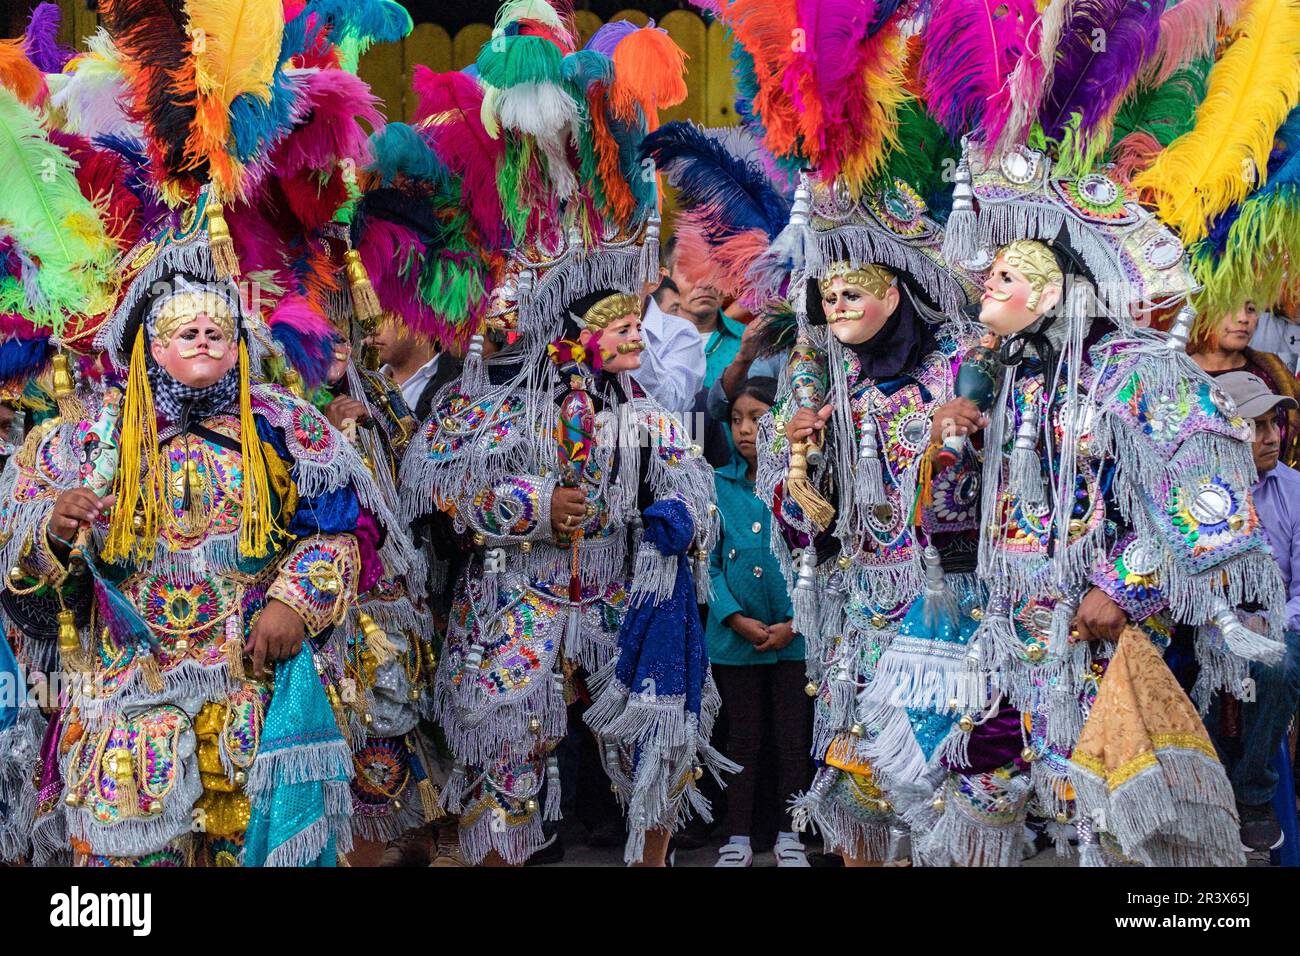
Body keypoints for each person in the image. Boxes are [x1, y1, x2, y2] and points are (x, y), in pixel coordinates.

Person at [707, 377, 810, 867]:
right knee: (741, 739)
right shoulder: (716, 484)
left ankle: (792, 834)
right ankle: (738, 837)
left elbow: (817, 557)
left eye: (758, 418)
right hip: (736, 639)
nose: (745, 429)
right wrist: (733, 616)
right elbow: (705, 564)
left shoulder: (803, 481)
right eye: (736, 420)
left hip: (795, 638)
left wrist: (796, 621)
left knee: (792, 739)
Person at [1208, 371, 1300, 853]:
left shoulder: (1295, 489)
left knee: (1278, 665)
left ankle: (1252, 792)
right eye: (1255, 426)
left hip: (1279, 620)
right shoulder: (1197, 491)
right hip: (1208, 623)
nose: (1271, 437)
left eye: (1274, 423)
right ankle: (1214, 790)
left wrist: (1270, 622)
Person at [1192, 303, 1300, 468]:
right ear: (1202, 310)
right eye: (1228, 307)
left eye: (1251, 309)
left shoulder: (1275, 372)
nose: (1243, 319)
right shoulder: (1171, 376)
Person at [630, 289, 704, 414]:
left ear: (655, 281)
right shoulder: (593, 325)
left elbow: (669, 404)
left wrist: (629, 329)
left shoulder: (681, 332)